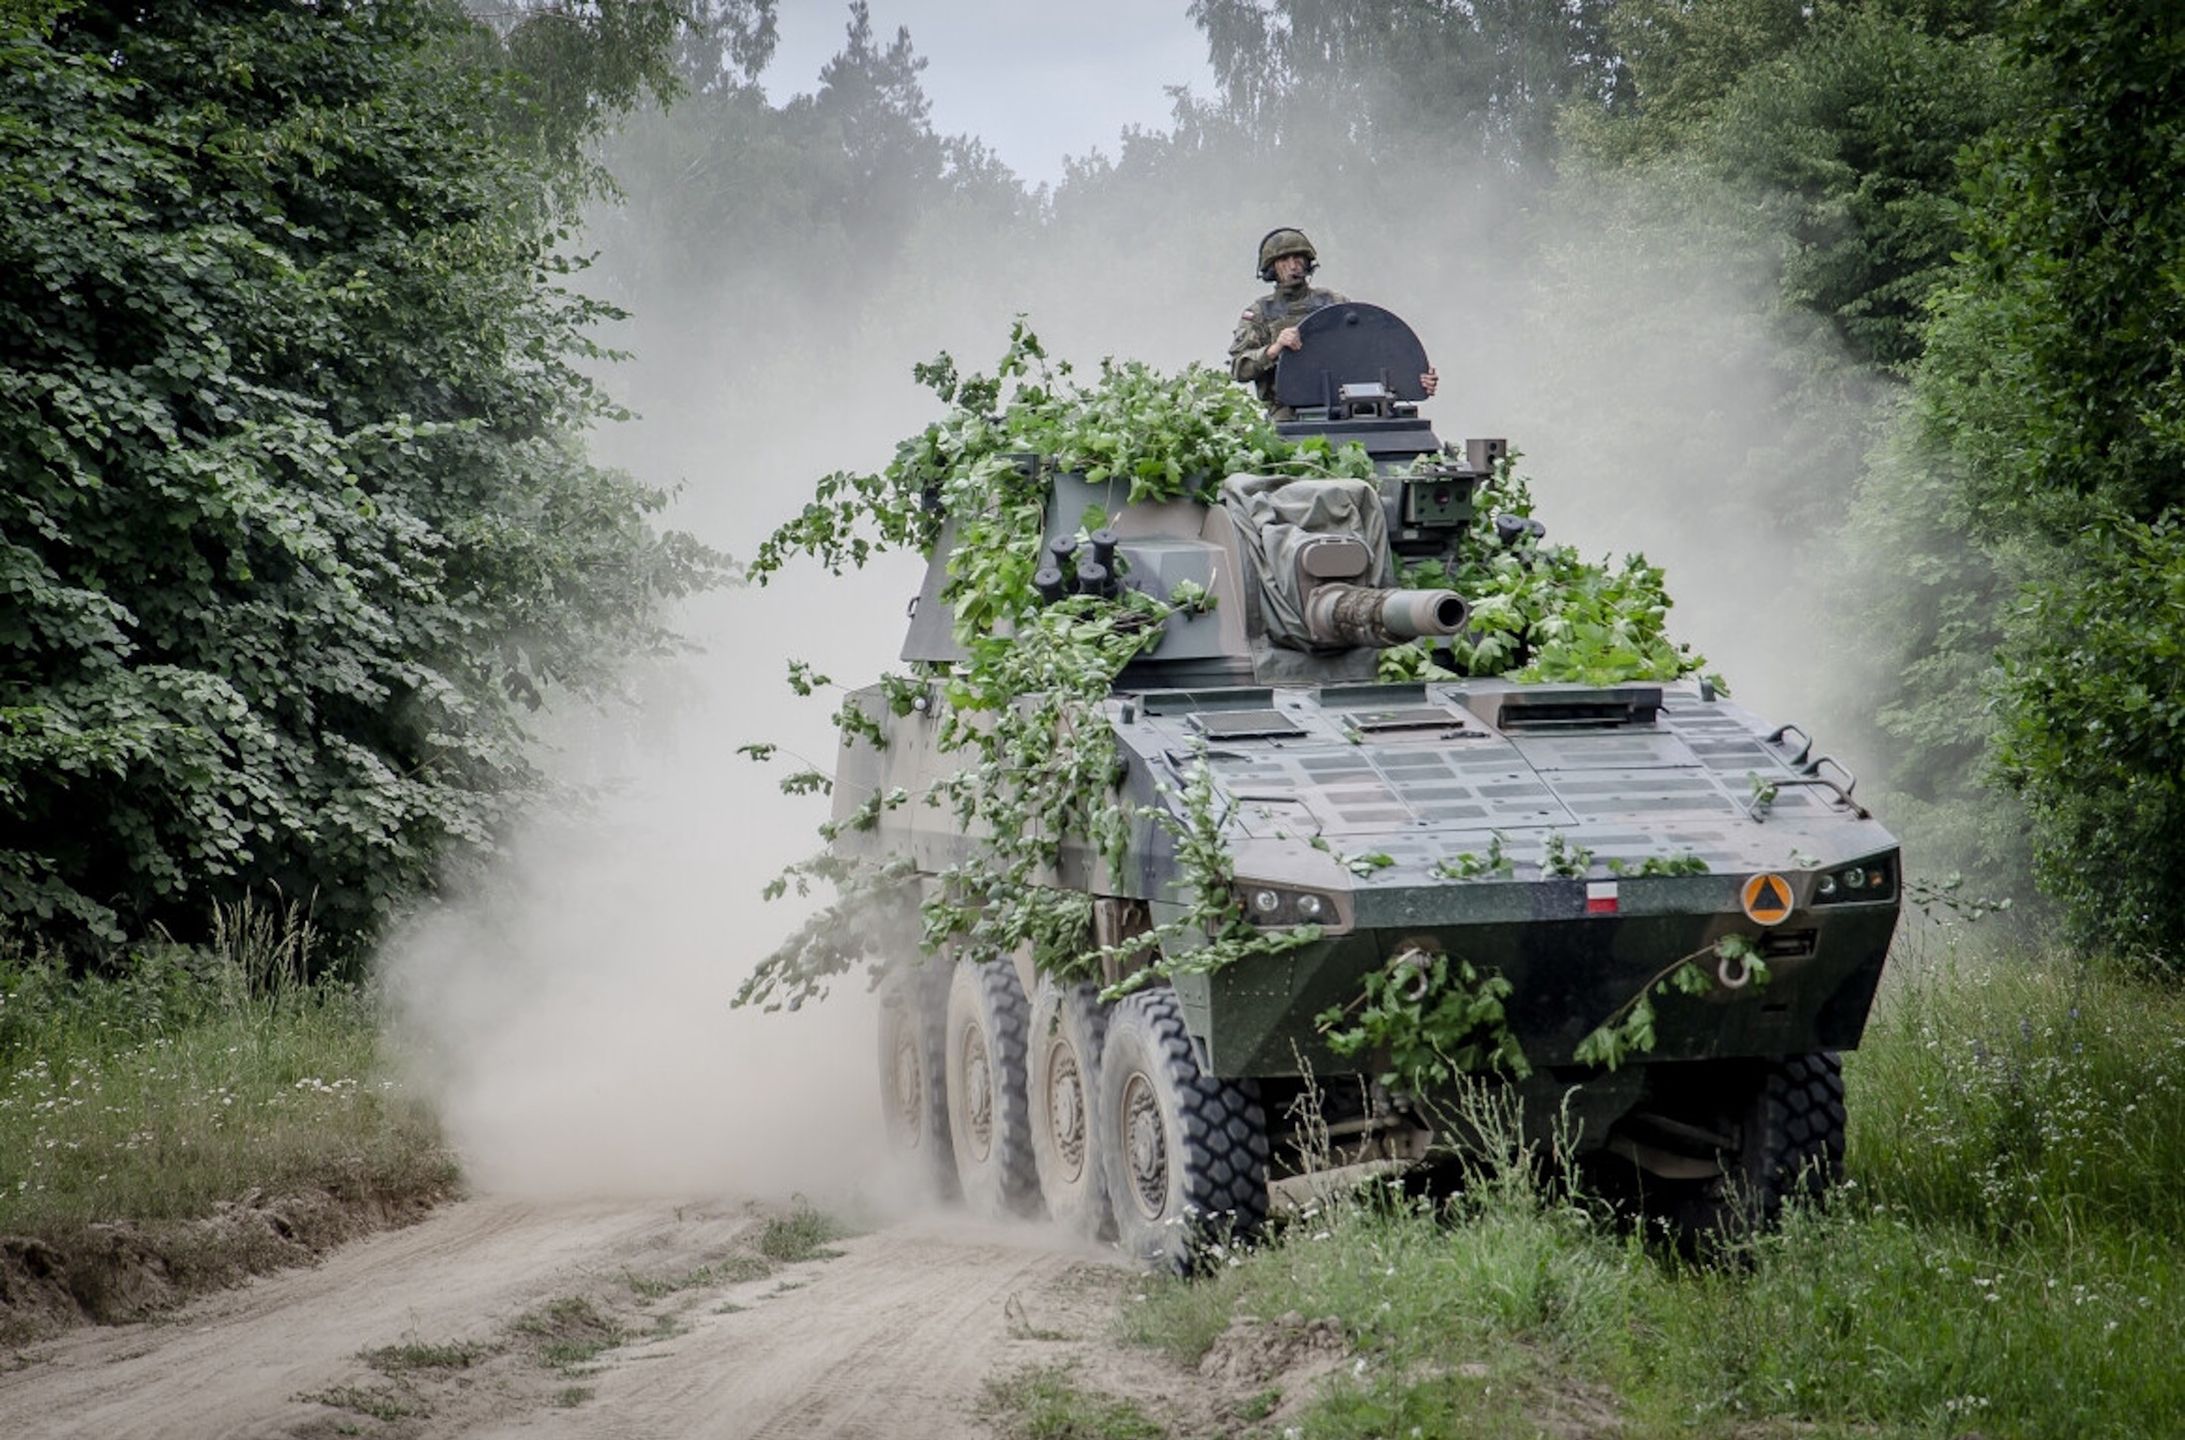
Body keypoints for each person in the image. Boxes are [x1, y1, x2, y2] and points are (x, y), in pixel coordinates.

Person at [1228, 228, 1438, 417]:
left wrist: (1414, 379)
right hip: (1288, 413)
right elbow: (1240, 369)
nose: (1293, 266)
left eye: (1298, 258)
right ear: (1272, 267)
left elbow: (1371, 351)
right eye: (1284, 260)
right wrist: (1275, 349)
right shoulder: (1260, 314)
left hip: (1346, 407)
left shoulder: (1334, 303)